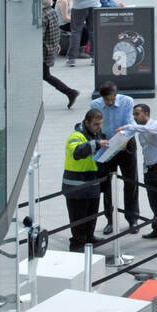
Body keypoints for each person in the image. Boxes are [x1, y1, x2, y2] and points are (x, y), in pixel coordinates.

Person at [122, 104, 157, 246]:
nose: (135, 117)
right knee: (154, 201)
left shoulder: (156, 125)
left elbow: (148, 129)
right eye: (133, 115)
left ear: (146, 113)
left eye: (137, 114)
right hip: (150, 168)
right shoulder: (140, 130)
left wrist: (128, 127)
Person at [90, 82, 140, 232]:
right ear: (102, 98)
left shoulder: (127, 101)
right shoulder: (95, 104)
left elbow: (132, 124)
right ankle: (110, 220)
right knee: (108, 185)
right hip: (107, 145)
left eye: (112, 99)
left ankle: (133, 219)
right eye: (107, 100)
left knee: (131, 182)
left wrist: (124, 136)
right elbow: (94, 128)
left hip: (125, 144)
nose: (110, 103)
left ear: (116, 95)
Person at [62, 108, 108, 252]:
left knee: (91, 215)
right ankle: (77, 245)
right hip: (77, 186)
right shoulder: (76, 136)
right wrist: (96, 144)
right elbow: (77, 152)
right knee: (78, 219)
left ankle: (89, 238)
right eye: (95, 124)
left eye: (100, 124)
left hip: (92, 183)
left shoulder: (97, 133)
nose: (98, 127)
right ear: (87, 122)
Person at [42, 0, 78, 108]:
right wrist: (56, 43)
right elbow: (55, 29)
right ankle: (70, 92)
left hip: (43, 50)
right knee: (45, 74)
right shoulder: (51, 12)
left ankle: (70, 92)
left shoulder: (42, 15)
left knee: (45, 75)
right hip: (50, 47)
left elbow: (39, 35)